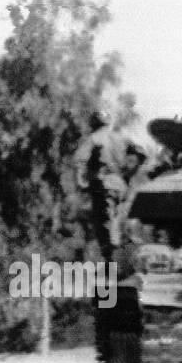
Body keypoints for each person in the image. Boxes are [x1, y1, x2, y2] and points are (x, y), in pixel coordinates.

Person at [73, 109, 130, 258]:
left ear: (93, 123)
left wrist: (82, 182)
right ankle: (118, 260)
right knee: (116, 222)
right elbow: (137, 157)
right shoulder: (119, 138)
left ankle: (111, 263)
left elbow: (80, 160)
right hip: (120, 187)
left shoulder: (93, 139)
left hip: (102, 186)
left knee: (103, 224)